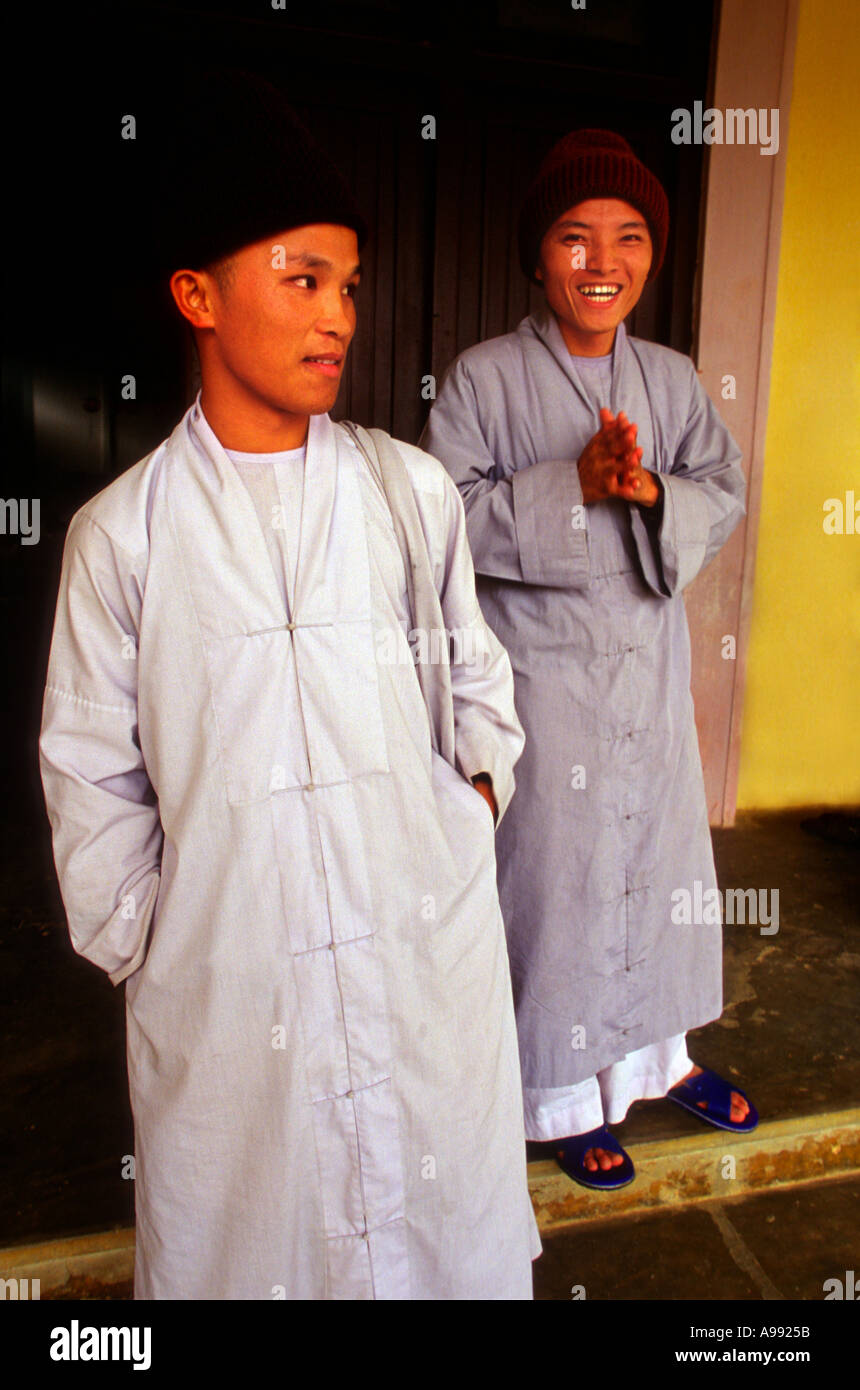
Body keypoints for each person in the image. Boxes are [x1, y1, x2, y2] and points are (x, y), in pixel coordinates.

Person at [39, 71, 538, 1298]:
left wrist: (465, 808)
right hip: (228, 995)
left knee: (438, 1244)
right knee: (254, 1244)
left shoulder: (404, 493)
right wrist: (163, 941)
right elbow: (90, 780)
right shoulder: (125, 537)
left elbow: (475, 678)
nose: (337, 318)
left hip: (422, 956)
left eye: (347, 285)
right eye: (299, 277)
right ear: (197, 295)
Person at [420, 128, 757, 1191]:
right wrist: (574, 482)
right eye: (572, 237)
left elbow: (721, 482)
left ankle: (660, 1065)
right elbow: (446, 517)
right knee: (556, 882)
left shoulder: (667, 377)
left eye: (625, 237)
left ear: (649, 255)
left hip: (646, 677)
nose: (599, 260)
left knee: (654, 869)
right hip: (543, 679)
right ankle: (556, 1097)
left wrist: (651, 490)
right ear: (537, 256)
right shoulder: (481, 379)